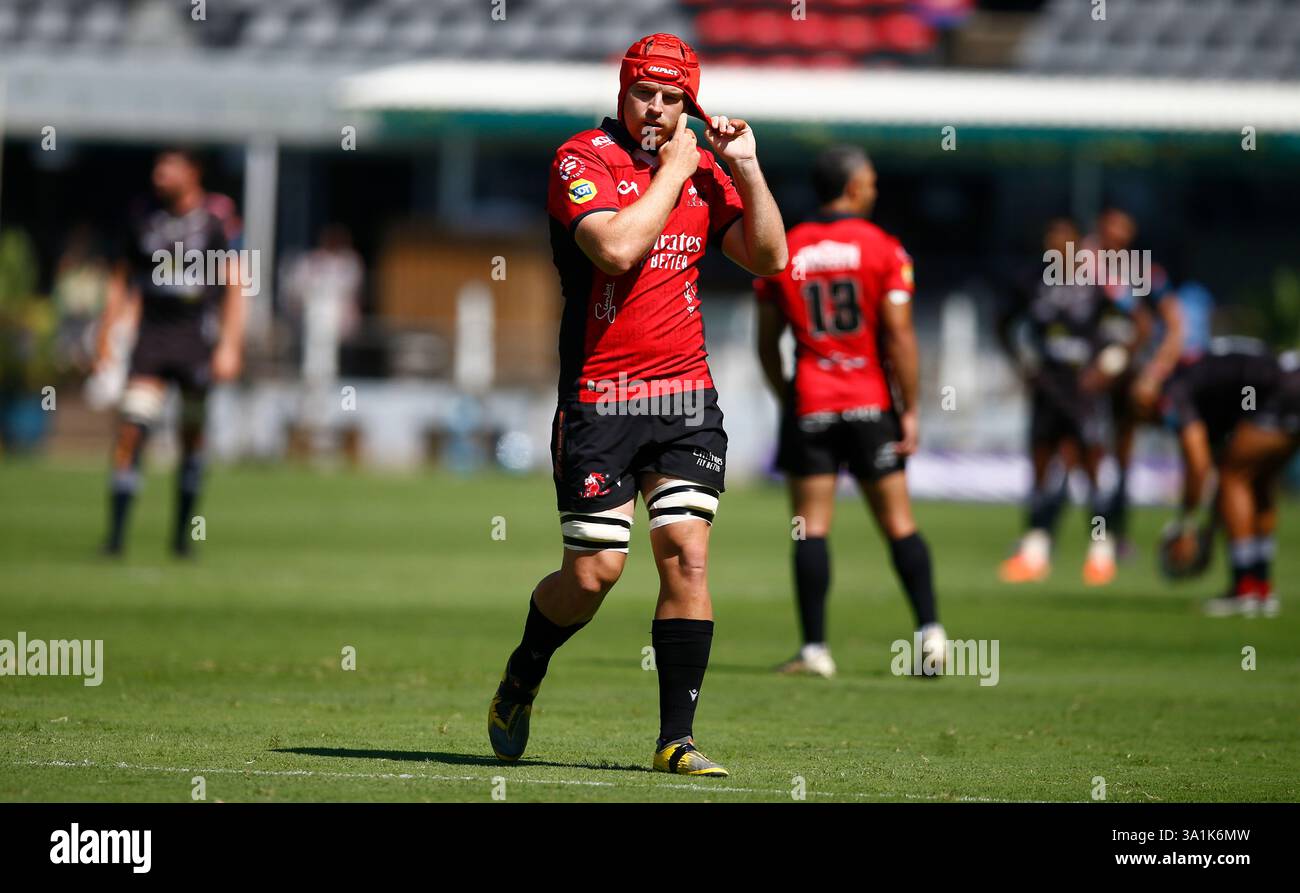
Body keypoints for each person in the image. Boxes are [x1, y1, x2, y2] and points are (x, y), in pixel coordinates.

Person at [487, 34, 787, 776]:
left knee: (686, 553)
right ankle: (524, 671)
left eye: (671, 97)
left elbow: (771, 256)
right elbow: (615, 250)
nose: (655, 110)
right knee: (594, 574)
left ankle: (675, 740)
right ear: (623, 92)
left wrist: (746, 171)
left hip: (685, 394)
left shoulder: (707, 166)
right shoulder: (580, 160)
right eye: (644, 93)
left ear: (691, 102)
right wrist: (676, 171)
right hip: (599, 397)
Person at [753, 145, 944, 678]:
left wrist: (786, 394)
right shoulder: (883, 248)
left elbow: (766, 343)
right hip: (869, 402)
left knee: (809, 529)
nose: (877, 189)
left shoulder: (785, 248)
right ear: (856, 186)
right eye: (873, 181)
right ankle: (929, 633)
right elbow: (900, 335)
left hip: (810, 402)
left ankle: (815, 650)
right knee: (899, 524)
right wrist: (909, 409)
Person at [94, 149, 246, 557]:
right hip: (152, 339)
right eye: (158, 166)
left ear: (193, 172)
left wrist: (231, 345)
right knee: (132, 429)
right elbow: (122, 279)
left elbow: (235, 282)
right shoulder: (144, 216)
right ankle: (116, 537)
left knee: (192, 437)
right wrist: (107, 333)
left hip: (196, 338)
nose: (160, 174)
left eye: (170, 166)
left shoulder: (214, 220)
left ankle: (182, 537)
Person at [997, 218, 1129, 585]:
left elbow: (1129, 328)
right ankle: (1035, 553)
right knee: (1041, 469)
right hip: (1046, 389)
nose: (1054, 246)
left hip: (1083, 391)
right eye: (1049, 239)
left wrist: (1108, 366)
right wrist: (1022, 362)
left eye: (1062, 239)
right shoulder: (1032, 281)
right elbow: (1003, 322)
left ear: (1076, 242)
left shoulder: (1097, 283)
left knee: (1093, 471)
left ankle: (1101, 553)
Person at [1133, 337, 1284, 617]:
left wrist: (1187, 522)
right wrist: (1212, 527)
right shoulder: (1205, 381)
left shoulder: (1176, 387)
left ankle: (1246, 589)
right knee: (1258, 482)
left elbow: (1199, 465)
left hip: (1273, 391)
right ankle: (1261, 586)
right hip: (1282, 382)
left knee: (1232, 477)